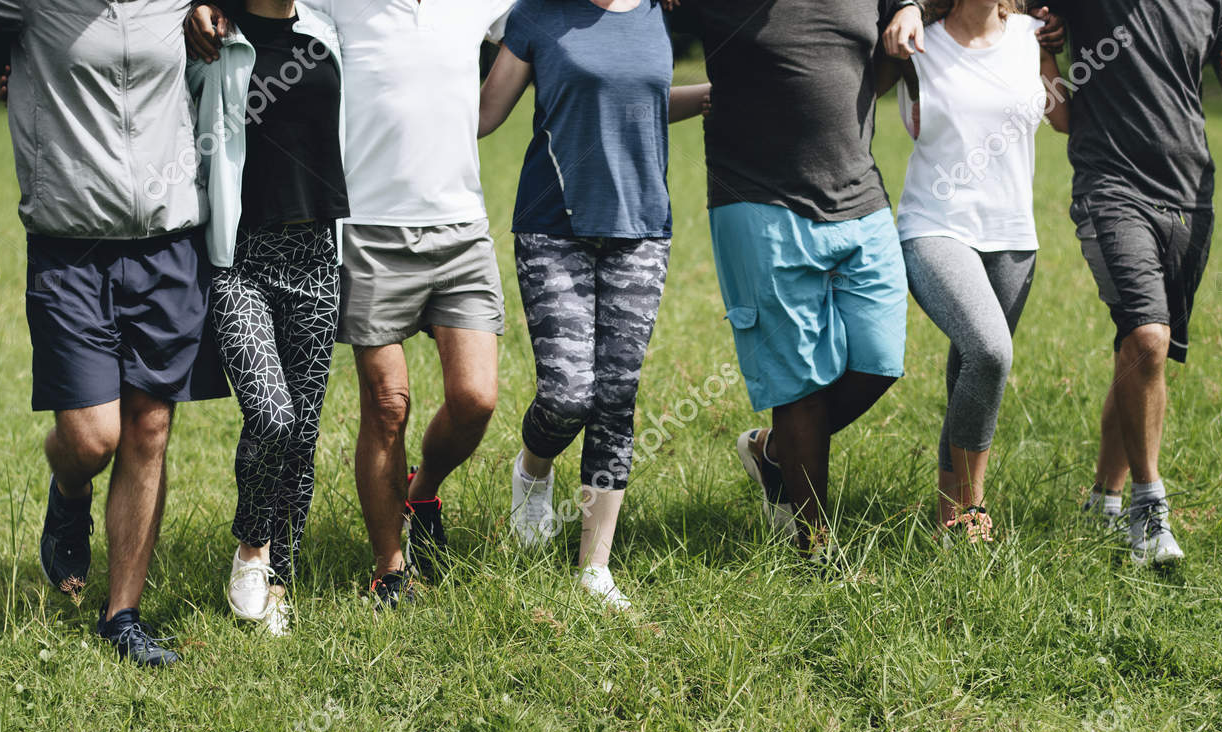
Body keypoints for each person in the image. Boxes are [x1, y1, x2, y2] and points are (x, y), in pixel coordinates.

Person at [189, 0, 515, 611]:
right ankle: (334, 564)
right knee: (339, 409)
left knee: (461, 401)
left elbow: (541, 23)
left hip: (393, 241)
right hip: (309, 245)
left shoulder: (338, 26)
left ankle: (394, 509)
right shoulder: (293, 18)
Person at [0, 0, 226, 665]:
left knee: (149, 427)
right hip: (70, 246)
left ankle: (123, 616)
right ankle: (69, 490)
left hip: (168, 244)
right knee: (93, 437)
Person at [1036, 0, 1222, 565]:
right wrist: (1043, 33)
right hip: (1110, 183)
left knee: (1138, 350)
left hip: (1190, 193)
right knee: (1148, 337)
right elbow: (1012, 16)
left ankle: (1105, 500)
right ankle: (1150, 509)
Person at [477, 0, 709, 611]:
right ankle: (533, 470)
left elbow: (639, 100)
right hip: (553, 227)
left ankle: (594, 568)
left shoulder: (658, 12)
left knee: (615, 398)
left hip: (642, 228)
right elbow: (483, 114)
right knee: (567, 396)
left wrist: (711, 95)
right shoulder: (538, 15)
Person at [682, 0, 926, 559]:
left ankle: (774, 454)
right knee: (800, 386)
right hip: (758, 199)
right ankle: (814, 547)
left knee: (880, 362)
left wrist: (910, 6)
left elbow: (889, 57)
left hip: (858, 194)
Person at [188, 0, 347, 635]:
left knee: (302, 435)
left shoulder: (325, 31)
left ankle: (280, 581)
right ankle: (252, 551)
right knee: (272, 415)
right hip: (243, 260)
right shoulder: (213, 40)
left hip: (318, 257)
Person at [892, 0, 1068, 544]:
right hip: (934, 224)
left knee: (969, 370)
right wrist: (903, 11)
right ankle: (972, 511)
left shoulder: (1033, 35)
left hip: (1013, 237)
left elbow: (1064, 118)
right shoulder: (918, 40)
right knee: (990, 351)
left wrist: (1061, 42)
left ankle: (947, 519)